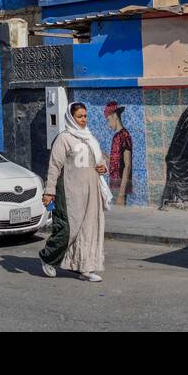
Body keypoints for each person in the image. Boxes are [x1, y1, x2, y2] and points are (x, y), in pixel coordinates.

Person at [40, 102, 109, 281]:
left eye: (85, 116)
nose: (83, 120)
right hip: (70, 192)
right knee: (68, 230)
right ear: (71, 117)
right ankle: (47, 257)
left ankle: (85, 268)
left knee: (89, 229)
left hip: (91, 193)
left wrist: (104, 168)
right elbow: (54, 166)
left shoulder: (90, 138)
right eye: (79, 116)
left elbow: (100, 160)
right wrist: (49, 192)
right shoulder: (64, 138)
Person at [103, 101, 132, 206]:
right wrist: (101, 153)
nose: (108, 125)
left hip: (120, 187)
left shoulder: (124, 136)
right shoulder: (117, 136)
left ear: (114, 116)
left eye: (108, 120)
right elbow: (115, 162)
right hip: (114, 185)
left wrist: (121, 194)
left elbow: (127, 165)